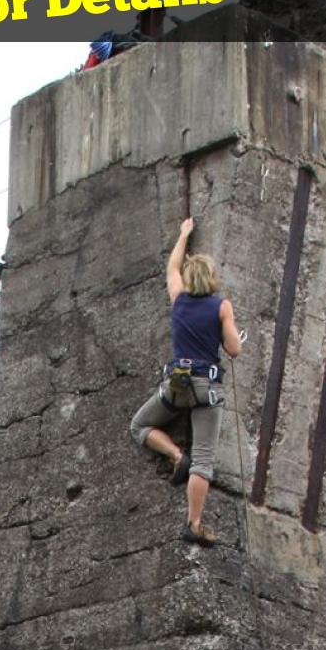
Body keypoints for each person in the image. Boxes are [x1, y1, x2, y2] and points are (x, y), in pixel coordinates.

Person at [129, 217, 242, 546]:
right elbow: (234, 349)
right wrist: (230, 329)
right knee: (204, 460)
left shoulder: (178, 298)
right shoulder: (222, 306)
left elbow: (172, 267)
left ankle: (176, 454)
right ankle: (193, 522)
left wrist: (183, 234)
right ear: (213, 279)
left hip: (176, 386)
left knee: (139, 425)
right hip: (207, 389)